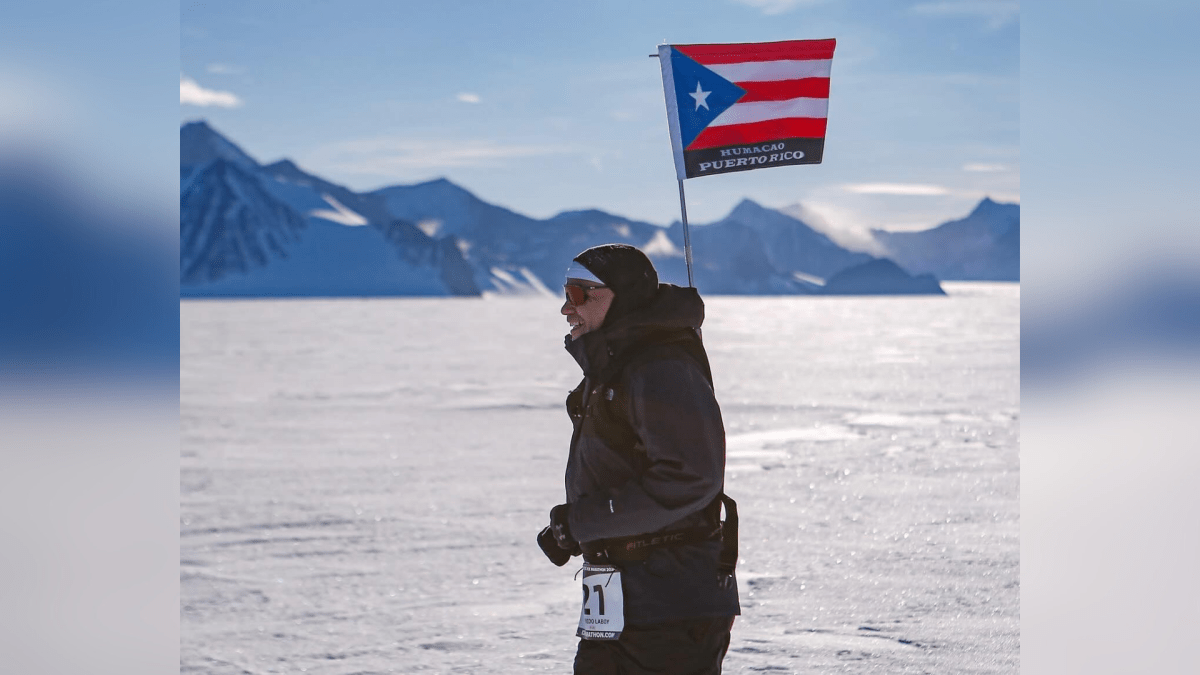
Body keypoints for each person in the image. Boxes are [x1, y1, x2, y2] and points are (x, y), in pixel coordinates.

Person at [537, 244, 740, 675]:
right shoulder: (616, 364)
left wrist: (583, 522)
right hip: (619, 599)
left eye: (578, 294)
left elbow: (688, 478)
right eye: (565, 292)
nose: (565, 308)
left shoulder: (660, 365)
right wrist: (574, 531)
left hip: (670, 600)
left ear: (620, 295)